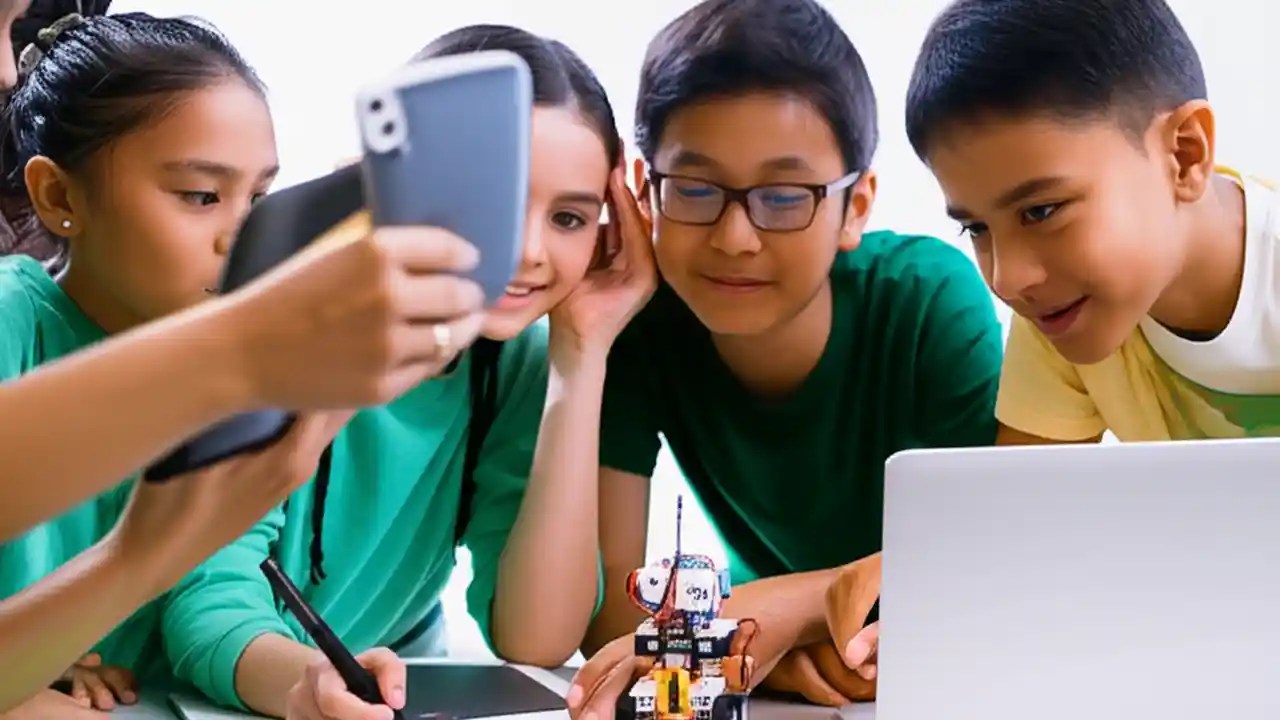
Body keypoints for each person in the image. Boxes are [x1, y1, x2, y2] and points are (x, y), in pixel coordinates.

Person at [159, 24, 655, 720]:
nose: (529, 252)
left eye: (570, 218)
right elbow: (205, 596)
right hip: (198, 694)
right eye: (495, 202)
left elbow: (537, 638)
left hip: (370, 693)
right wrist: (307, 683)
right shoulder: (281, 319)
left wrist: (581, 354)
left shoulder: (514, 363)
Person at [0, 9, 485, 715]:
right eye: (201, 196)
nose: (241, 233)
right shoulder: (15, 324)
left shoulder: (233, 372)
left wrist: (303, 681)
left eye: (257, 196)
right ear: (59, 195)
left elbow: (207, 595)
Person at [567, 0, 1004, 714]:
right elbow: (608, 619)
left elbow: (984, 570)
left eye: (782, 196)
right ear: (644, 194)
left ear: (856, 205)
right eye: (697, 190)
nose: (737, 237)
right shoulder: (640, 331)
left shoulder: (929, 303)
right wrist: (763, 656)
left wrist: (784, 608)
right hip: (771, 675)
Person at [904, 0, 1279, 445]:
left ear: (1184, 156)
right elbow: (1026, 505)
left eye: (1041, 211)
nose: (1009, 279)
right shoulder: (1063, 312)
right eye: (977, 229)